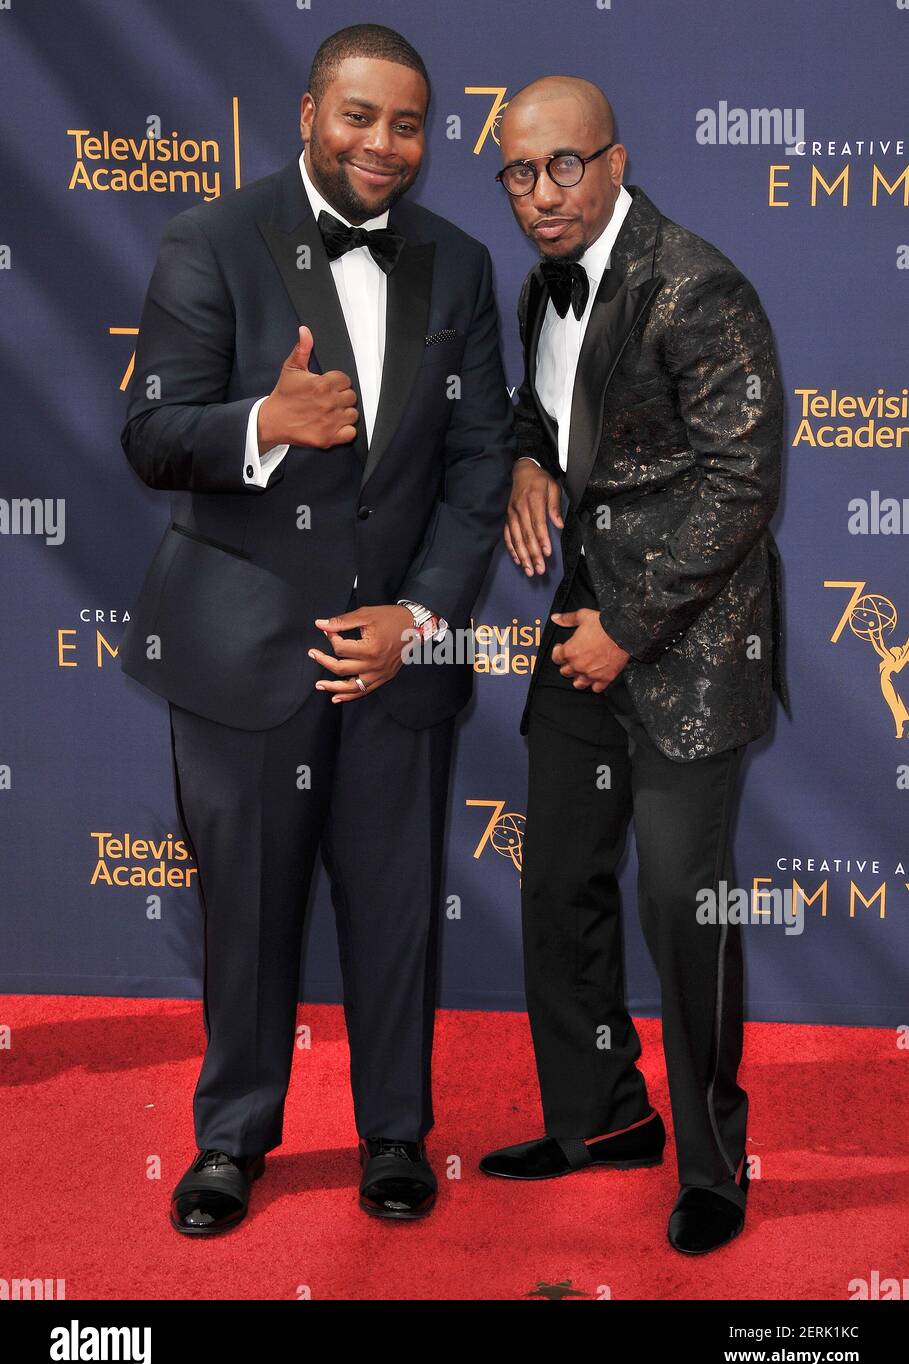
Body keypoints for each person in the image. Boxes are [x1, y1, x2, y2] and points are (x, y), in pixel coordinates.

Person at [119, 23, 513, 1233]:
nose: (382, 145)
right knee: (244, 911)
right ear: (307, 114)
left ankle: (396, 1133)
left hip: (393, 659)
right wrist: (264, 423)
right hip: (246, 654)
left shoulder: (459, 265)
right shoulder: (210, 241)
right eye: (359, 116)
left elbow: (479, 460)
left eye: (406, 124)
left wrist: (421, 613)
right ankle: (232, 1138)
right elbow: (150, 434)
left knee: (396, 913)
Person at [478, 76, 789, 1255]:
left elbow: (741, 484)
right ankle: (604, 1118)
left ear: (615, 160)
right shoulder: (537, 287)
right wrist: (523, 461)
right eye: (518, 171)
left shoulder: (697, 287)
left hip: (689, 644)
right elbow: (546, 410)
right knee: (557, 880)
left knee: (681, 902)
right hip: (580, 624)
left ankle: (715, 1160)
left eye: (564, 165)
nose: (541, 193)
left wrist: (631, 623)